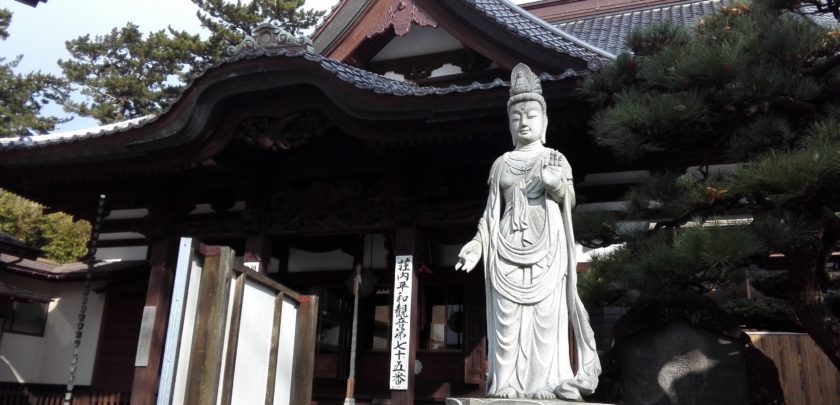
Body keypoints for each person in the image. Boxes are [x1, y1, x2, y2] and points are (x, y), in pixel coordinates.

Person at [455, 63, 600, 400]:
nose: (523, 121)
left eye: (530, 114)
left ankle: (544, 383)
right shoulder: (501, 163)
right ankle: (504, 382)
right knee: (506, 325)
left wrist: (556, 187)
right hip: (504, 251)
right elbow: (492, 213)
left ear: (544, 120)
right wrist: (477, 245)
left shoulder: (555, 158)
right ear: (509, 123)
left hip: (547, 250)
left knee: (545, 322)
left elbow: (570, 201)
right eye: (516, 116)